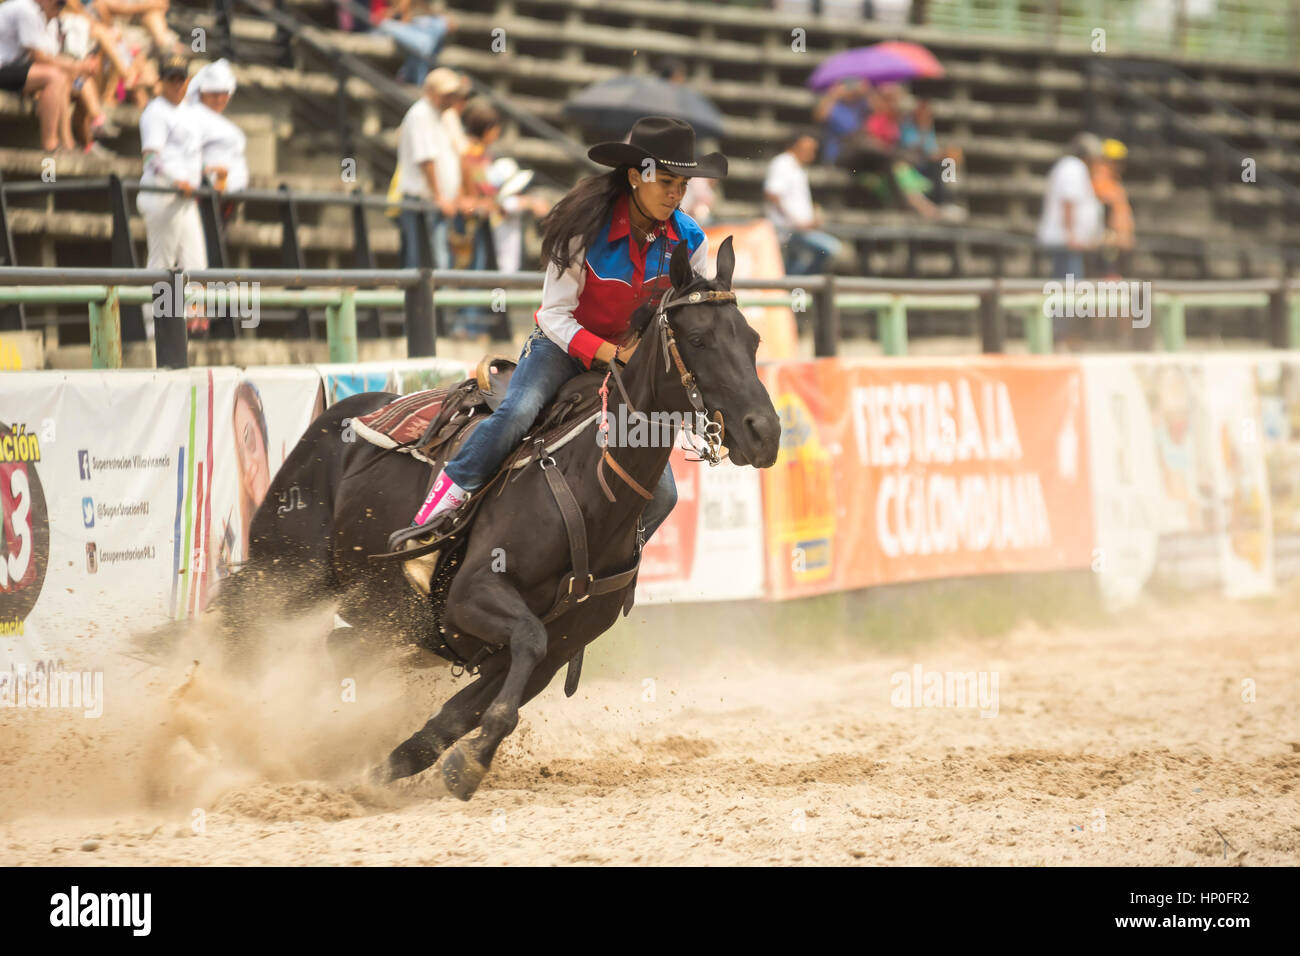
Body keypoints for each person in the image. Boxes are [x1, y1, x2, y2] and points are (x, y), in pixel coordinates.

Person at [411, 115, 726, 537]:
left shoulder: (693, 242)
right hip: (561, 350)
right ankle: (432, 515)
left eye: (682, 186)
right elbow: (553, 315)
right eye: (666, 182)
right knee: (518, 413)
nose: (675, 195)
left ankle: (607, 576)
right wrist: (614, 354)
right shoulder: (584, 230)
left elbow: (694, 318)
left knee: (663, 496)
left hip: (628, 367)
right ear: (636, 176)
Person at [137, 54, 199, 338]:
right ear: (161, 81)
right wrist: (178, 180)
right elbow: (151, 158)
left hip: (184, 198)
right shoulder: (155, 111)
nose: (177, 84)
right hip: (161, 193)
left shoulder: (187, 110)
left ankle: (187, 325)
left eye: (181, 78)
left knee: (194, 262)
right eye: (171, 78)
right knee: (161, 263)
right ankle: (155, 329)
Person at [0, 0, 98, 153]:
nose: (61, 7)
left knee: (73, 81)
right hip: (4, 67)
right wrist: (77, 66)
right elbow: (39, 57)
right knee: (55, 78)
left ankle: (70, 142)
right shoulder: (25, 9)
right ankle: (51, 145)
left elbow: (50, 59)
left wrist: (79, 74)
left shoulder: (48, 19)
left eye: (63, 4)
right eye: (59, 3)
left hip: (16, 69)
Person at [394, 66, 464, 269]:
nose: (451, 98)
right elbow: (426, 159)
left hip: (434, 202)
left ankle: (430, 301)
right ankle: (423, 302)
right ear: (431, 92)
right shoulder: (421, 115)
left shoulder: (440, 115)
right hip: (424, 201)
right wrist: (440, 196)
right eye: (447, 93)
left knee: (435, 263)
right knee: (426, 264)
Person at [764, 129, 841, 276]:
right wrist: (797, 222)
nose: (811, 153)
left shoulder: (797, 168)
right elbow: (772, 194)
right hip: (789, 229)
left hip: (798, 229)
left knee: (793, 262)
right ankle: (798, 284)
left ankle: (793, 286)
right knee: (830, 248)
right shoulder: (783, 163)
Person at [1037, 131, 1103, 280]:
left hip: (1067, 242)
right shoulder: (1073, 167)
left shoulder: (1070, 167)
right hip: (1065, 242)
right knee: (1068, 291)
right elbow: (1068, 200)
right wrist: (1071, 235)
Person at [377, 0, 455, 86]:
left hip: (422, 44)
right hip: (418, 43)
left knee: (425, 42)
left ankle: (410, 79)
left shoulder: (436, 20)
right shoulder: (397, 14)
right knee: (422, 46)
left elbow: (448, 24)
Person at [1090, 137, 1135, 278]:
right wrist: (1114, 237)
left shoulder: (1113, 181)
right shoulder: (1100, 180)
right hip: (1110, 244)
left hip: (1116, 243)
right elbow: (1105, 212)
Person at [812, 77, 871, 166]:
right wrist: (833, 95)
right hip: (837, 153)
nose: (851, 90)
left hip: (857, 151)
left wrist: (867, 91)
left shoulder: (860, 104)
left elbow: (880, 110)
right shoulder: (834, 105)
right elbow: (819, 117)